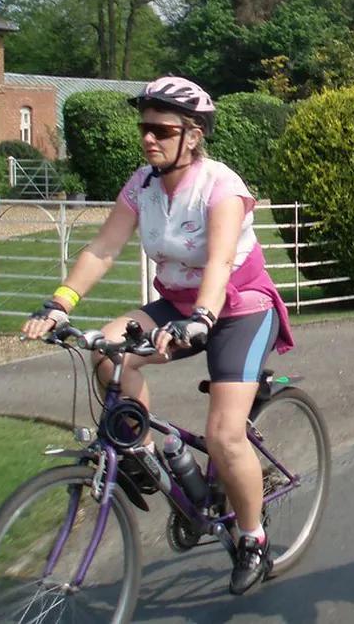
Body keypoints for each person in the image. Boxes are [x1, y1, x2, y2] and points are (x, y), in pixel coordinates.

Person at [22, 76, 295, 595]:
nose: (148, 138)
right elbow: (103, 249)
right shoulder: (141, 185)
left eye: (160, 129)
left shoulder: (221, 186)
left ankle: (253, 537)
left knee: (223, 433)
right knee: (107, 352)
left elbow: (218, 262)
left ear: (192, 135)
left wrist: (203, 318)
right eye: (144, 127)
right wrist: (61, 304)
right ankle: (155, 455)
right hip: (175, 303)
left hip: (238, 307)